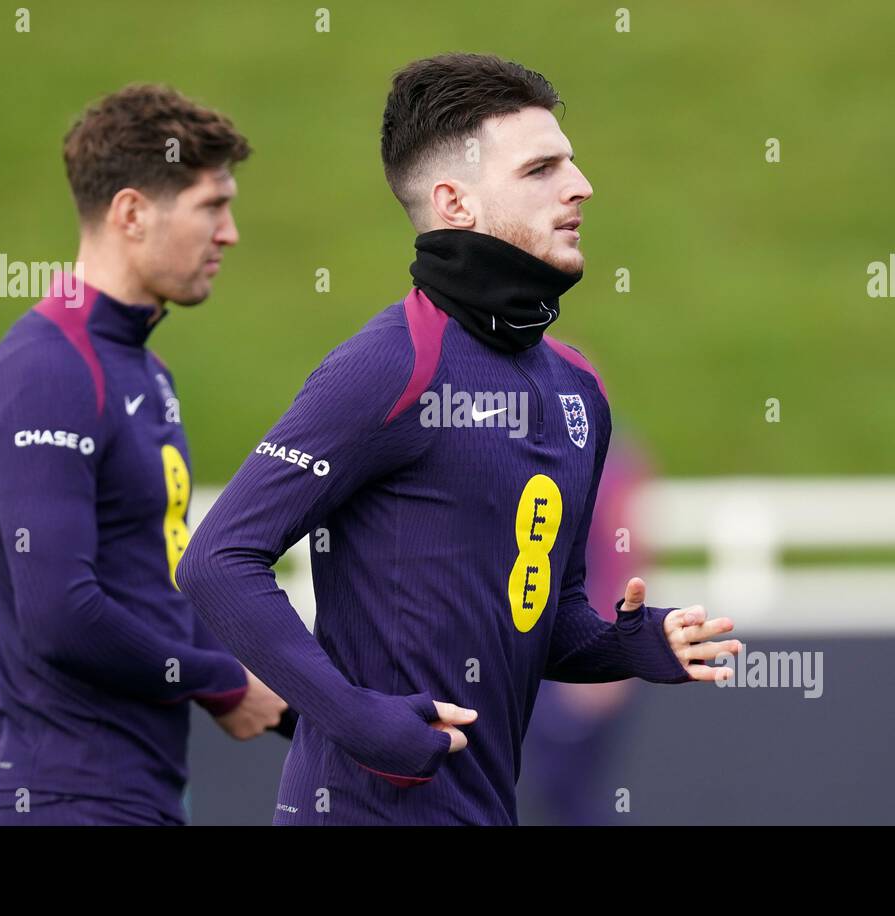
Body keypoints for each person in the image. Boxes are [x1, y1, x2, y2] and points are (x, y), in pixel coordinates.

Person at [177, 54, 740, 826]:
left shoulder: (576, 391)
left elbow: (544, 619)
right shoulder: (390, 366)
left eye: (570, 162)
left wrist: (629, 645)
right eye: (542, 168)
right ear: (455, 202)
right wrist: (358, 719)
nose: (581, 186)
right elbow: (216, 561)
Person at [0, 84, 290, 827]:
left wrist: (329, 710)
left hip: (135, 798)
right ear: (132, 214)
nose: (230, 233)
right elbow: (61, 614)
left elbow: (155, 585)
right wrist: (221, 683)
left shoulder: (142, 369)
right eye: (212, 206)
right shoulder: (48, 370)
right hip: (64, 800)